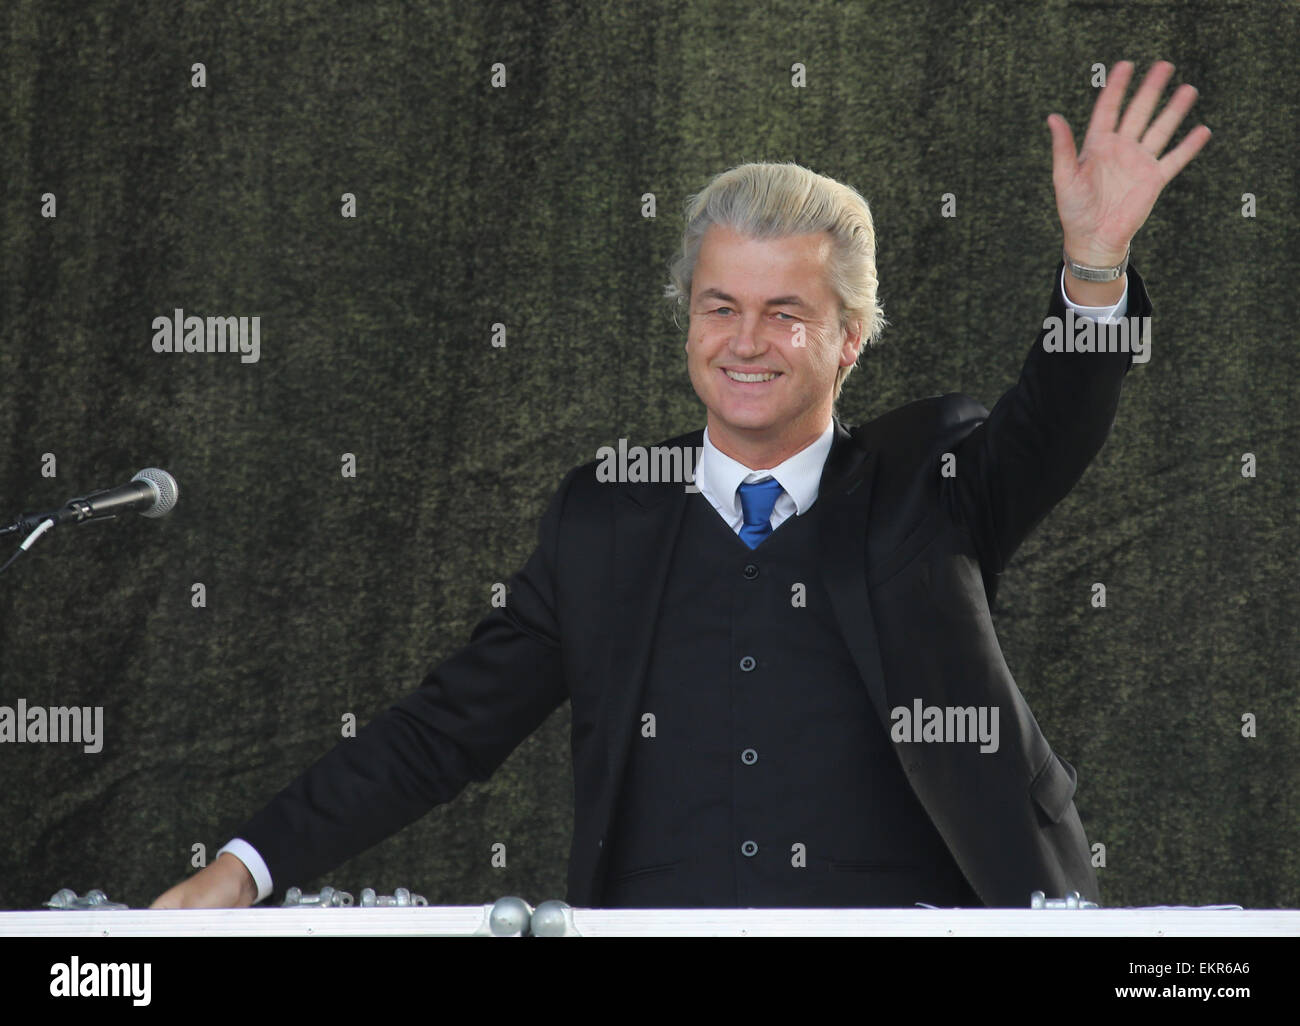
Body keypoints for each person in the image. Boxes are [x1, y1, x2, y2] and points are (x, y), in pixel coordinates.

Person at [153, 60, 1209, 910]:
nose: (746, 342)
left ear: (850, 338)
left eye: (785, 313)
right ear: (687, 321)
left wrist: (1095, 263)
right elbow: (442, 732)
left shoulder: (931, 483)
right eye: (718, 307)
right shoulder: (605, 515)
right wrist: (246, 867)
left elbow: (1058, 418)